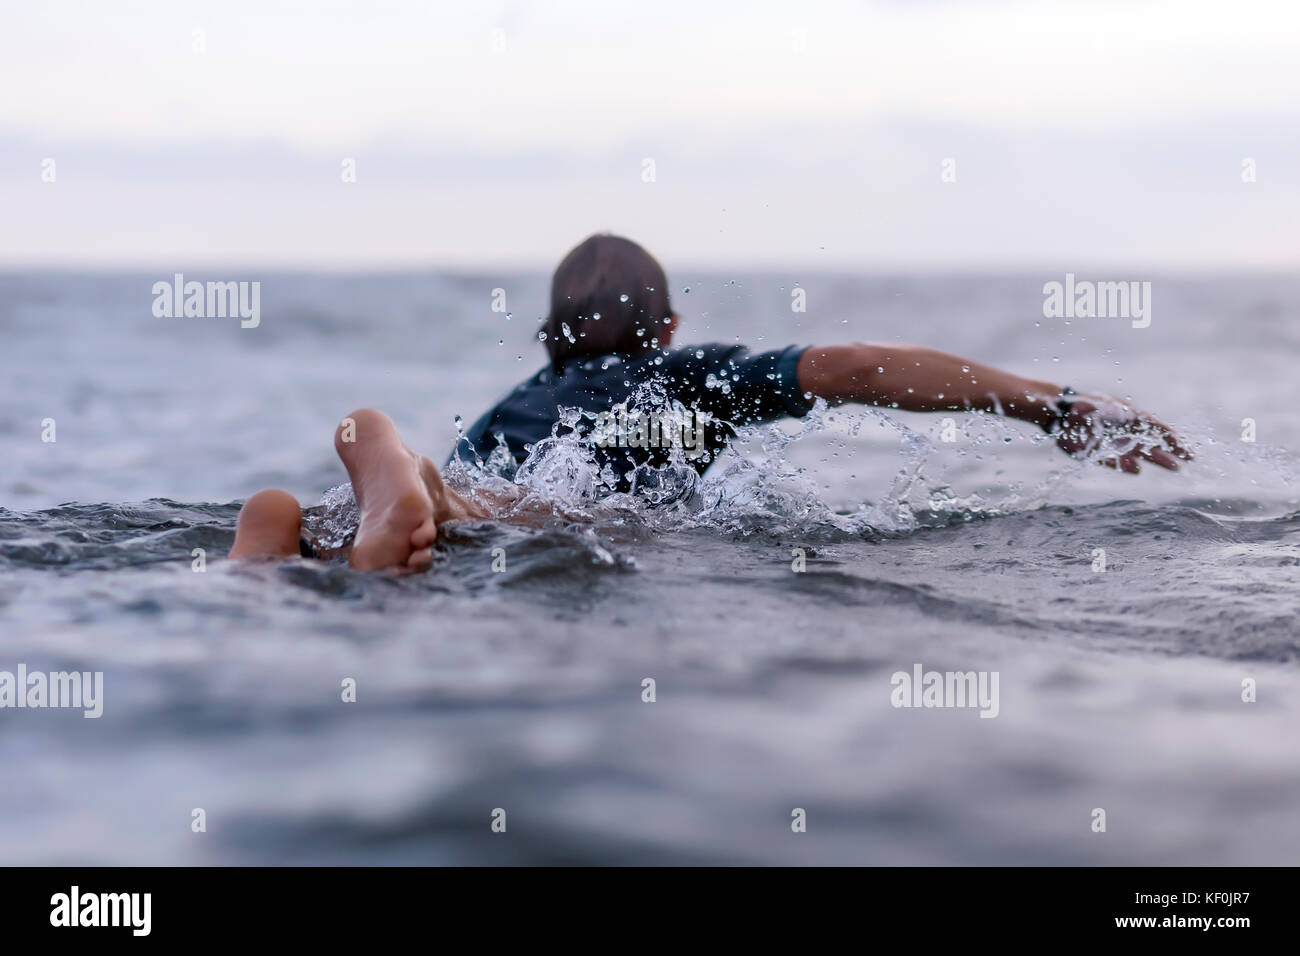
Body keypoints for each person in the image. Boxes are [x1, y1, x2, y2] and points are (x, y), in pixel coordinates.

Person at [228, 233, 1190, 570]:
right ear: (670, 324)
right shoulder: (691, 377)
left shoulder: (517, 403)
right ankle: (417, 488)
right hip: (548, 516)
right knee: (517, 515)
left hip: (477, 480)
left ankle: (354, 485)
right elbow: (853, 365)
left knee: (450, 511)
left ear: (556, 333)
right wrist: (1050, 404)